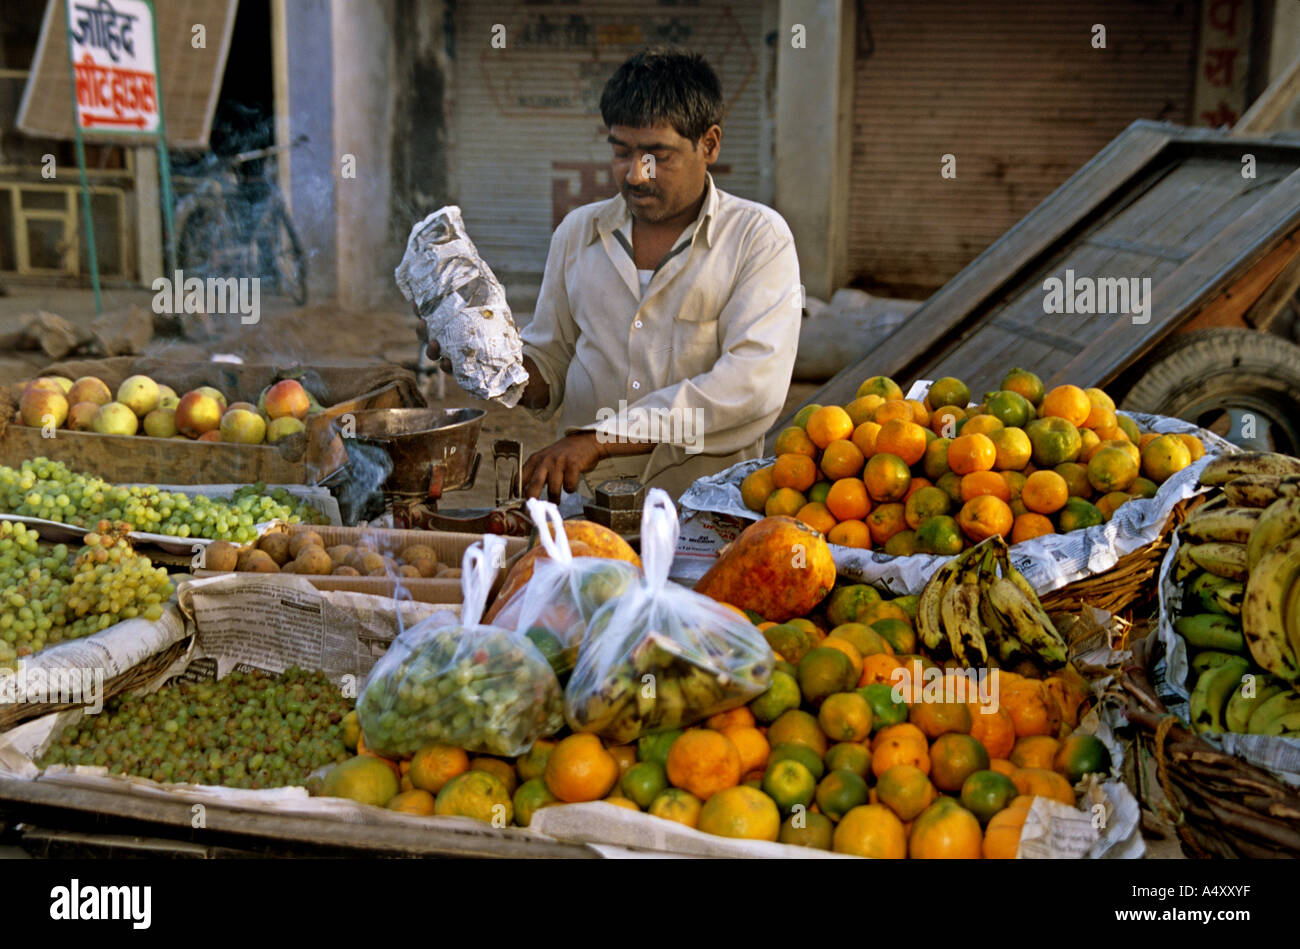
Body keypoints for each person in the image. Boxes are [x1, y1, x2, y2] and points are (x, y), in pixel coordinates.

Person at [429, 47, 801, 502]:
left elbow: (750, 388)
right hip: (585, 509)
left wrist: (599, 441)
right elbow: (550, 362)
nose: (636, 175)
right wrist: (485, 360)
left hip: (701, 517)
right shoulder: (578, 233)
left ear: (710, 144)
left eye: (658, 156)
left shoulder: (757, 238)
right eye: (622, 152)